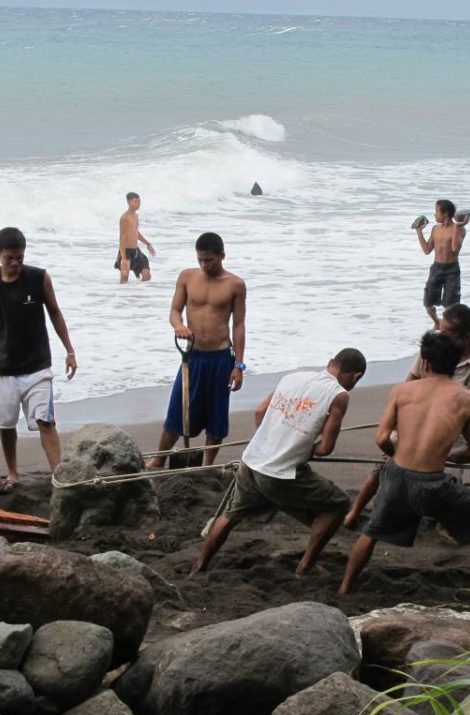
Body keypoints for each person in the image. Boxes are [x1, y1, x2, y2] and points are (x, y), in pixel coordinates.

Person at [338, 331, 470, 605]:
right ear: (456, 363)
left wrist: (399, 456)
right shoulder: (465, 399)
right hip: (433, 484)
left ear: (425, 362)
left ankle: (345, 588)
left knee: (371, 532)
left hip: (396, 476)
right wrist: (444, 457)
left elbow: (381, 438)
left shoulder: (401, 391)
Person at [192, 349, 368, 577]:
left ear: (330, 363)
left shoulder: (292, 377)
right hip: (279, 472)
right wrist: (296, 448)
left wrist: (274, 442)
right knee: (338, 505)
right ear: (356, 376)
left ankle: (199, 566)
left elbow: (259, 412)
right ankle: (306, 567)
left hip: (251, 460)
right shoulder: (339, 395)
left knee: (230, 515)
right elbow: (325, 448)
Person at [343, 303, 470, 528]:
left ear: (466, 336)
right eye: (440, 329)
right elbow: (411, 380)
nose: (440, 335)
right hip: (415, 417)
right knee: (382, 466)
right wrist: (403, 421)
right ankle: (355, 511)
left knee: (450, 479)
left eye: (447, 332)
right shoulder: (433, 346)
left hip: (452, 427)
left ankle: (445, 524)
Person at [0, 227, 78, 491]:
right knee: (6, 423)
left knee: (45, 420)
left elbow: (55, 313)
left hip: (37, 364)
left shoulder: (39, 278)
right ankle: (12, 472)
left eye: (19, 258)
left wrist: (69, 351)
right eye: (9, 258)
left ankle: (58, 473)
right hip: (2, 366)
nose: (15, 263)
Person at [146, 232, 247, 469]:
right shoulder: (187, 277)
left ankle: (207, 466)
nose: (204, 264)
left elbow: (239, 325)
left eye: (209, 260)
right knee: (177, 409)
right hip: (192, 356)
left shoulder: (235, 285)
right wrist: (179, 326)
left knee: (216, 415)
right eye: (200, 259)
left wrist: (239, 366)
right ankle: (158, 460)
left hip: (221, 357)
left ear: (222, 256)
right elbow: (174, 311)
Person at [417, 199, 466, 324]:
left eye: (437, 211)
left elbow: (455, 248)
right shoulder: (435, 229)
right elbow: (427, 250)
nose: (435, 214)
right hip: (436, 267)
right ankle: (437, 323)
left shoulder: (460, 229)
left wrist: (457, 227)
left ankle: (448, 327)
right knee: (428, 303)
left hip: (452, 269)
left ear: (446, 214)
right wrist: (419, 232)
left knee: (450, 305)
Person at [116, 192, 156, 283]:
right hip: (125, 251)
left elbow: (135, 232)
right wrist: (123, 257)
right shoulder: (124, 218)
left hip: (136, 250)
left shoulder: (136, 216)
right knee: (124, 280)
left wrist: (147, 244)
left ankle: (136, 291)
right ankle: (122, 292)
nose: (138, 204)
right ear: (128, 202)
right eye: (135, 202)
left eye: (139, 201)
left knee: (146, 276)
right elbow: (122, 237)